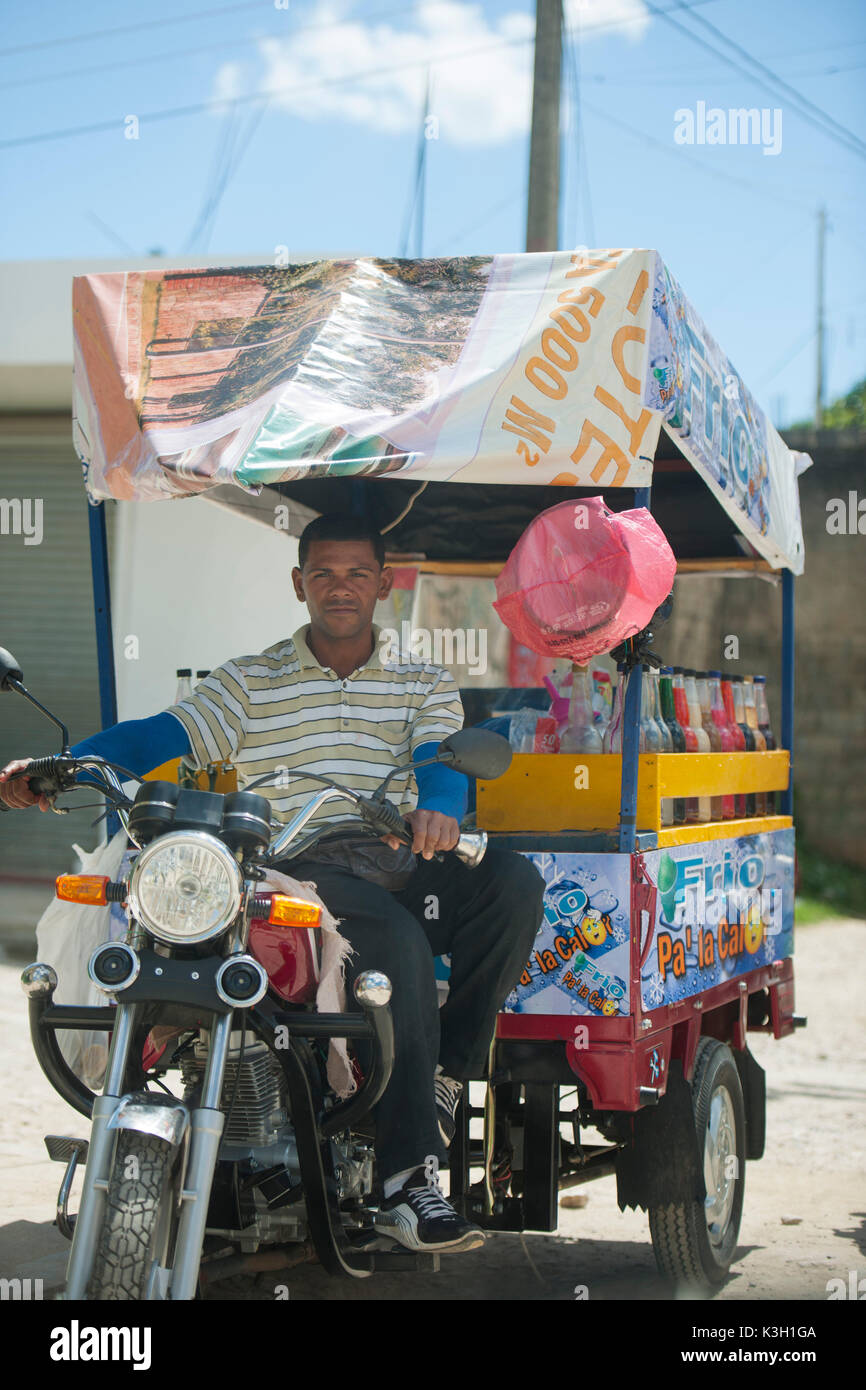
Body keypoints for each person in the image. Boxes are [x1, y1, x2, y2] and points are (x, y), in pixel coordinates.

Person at [0, 512, 545, 1254]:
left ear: (385, 584)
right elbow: (161, 735)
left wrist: (441, 813)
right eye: (323, 573)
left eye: (357, 573)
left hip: (399, 856)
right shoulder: (252, 681)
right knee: (395, 943)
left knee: (513, 885)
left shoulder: (421, 680)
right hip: (308, 867)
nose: (339, 588)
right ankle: (406, 1184)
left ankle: (445, 1076)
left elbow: (440, 762)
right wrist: (65, 765)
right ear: (299, 583)